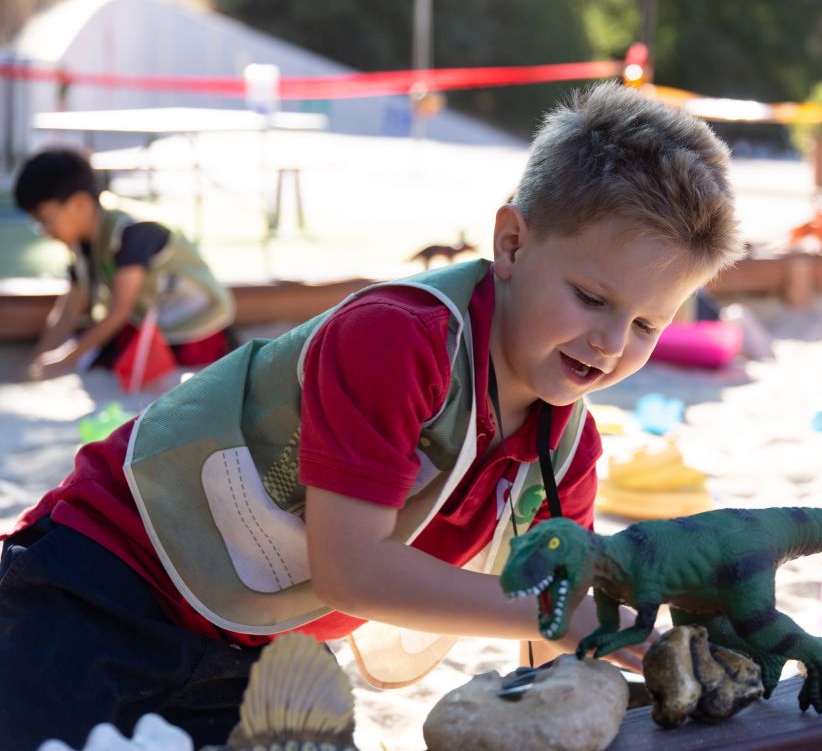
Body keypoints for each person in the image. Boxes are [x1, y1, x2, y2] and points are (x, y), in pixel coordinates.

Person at [0, 82, 743, 749]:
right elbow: (354, 572)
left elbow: (553, 640)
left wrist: (625, 661)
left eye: (648, 325)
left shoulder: (566, 451)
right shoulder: (401, 338)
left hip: (254, 644)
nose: (612, 344)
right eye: (592, 298)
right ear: (511, 243)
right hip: (103, 584)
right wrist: (555, 615)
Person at [13, 147, 235, 381]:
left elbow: (120, 309)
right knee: (101, 351)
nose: (45, 231)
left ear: (80, 204)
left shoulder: (131, 231)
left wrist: (66, 359)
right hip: (150, 320)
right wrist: (36, 359)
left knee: (120, 361)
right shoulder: (82, 242)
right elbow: (69, 309)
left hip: (193, 324)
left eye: (47, 220)